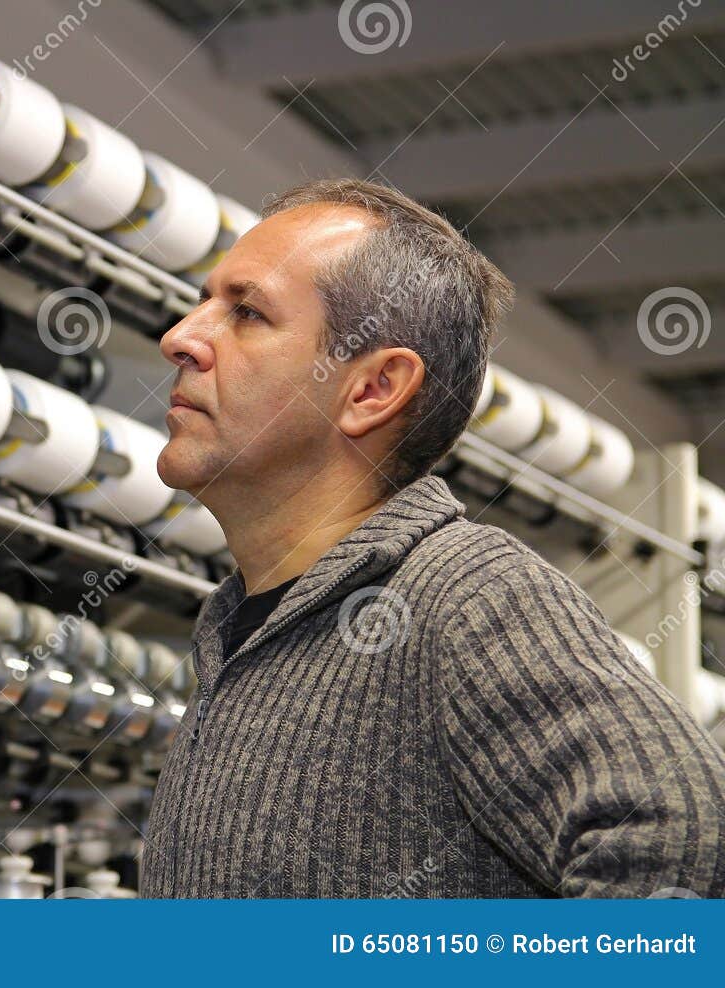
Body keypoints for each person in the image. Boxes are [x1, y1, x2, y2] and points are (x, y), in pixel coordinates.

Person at [140, 178, 725, 897]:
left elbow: (689, 839)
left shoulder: (468, 596)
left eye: (248, 313)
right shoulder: (234, 637)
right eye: (205, 302)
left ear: (373, 389)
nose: (181, 337)